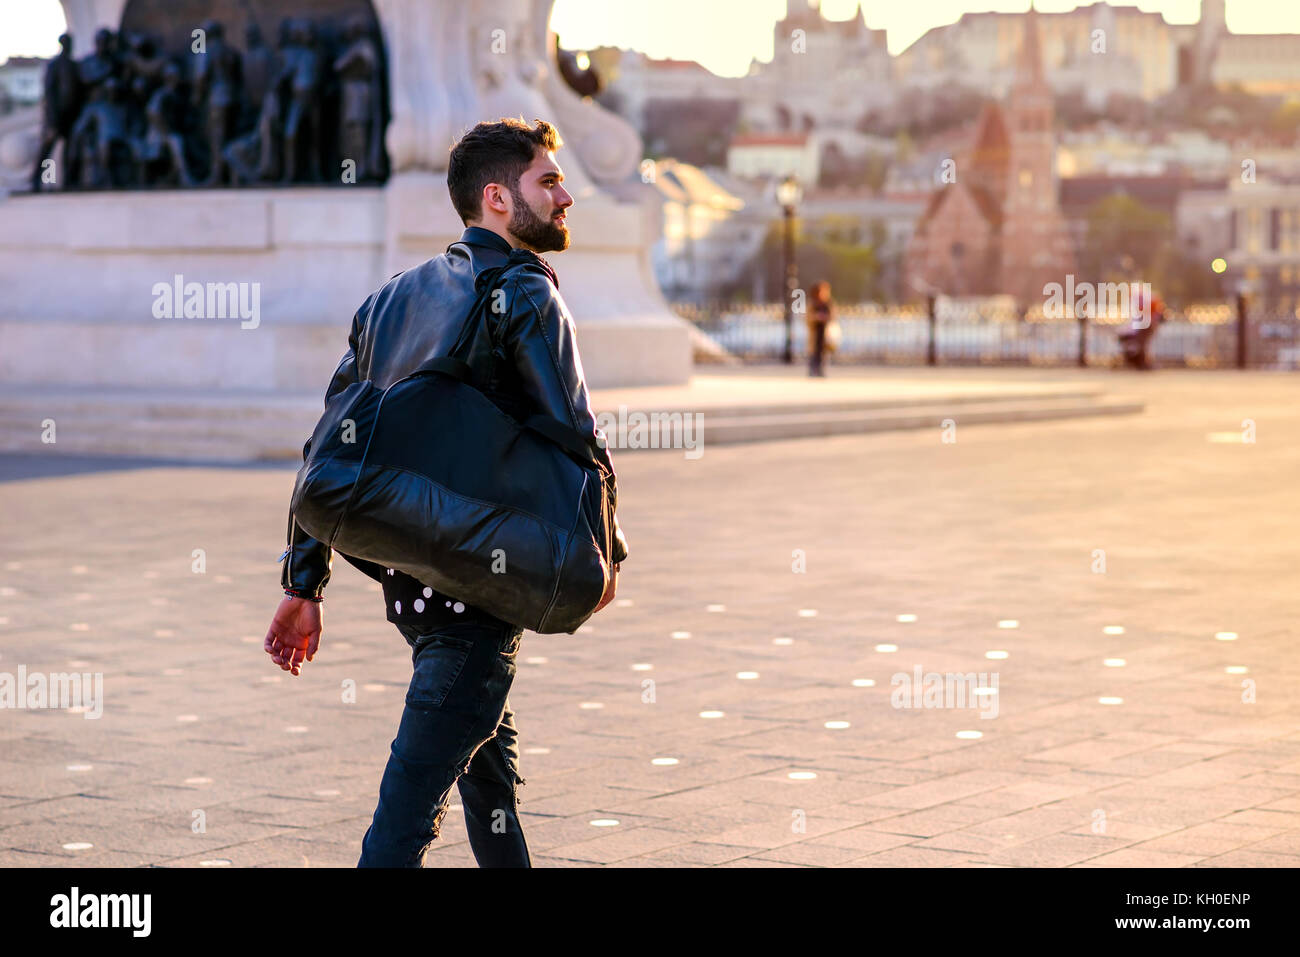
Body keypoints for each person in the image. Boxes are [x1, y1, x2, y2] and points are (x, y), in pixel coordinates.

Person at [262, 117, 627, 868]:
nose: (566, 196)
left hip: (415, 585)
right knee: (401, 824)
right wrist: (604, 556)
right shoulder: (526, 292)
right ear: (497, 197)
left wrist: (305, 583)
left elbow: (329, 441)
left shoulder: (391, 299)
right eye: (548, 181)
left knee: (490, 787)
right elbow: (574, 435)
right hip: (480, 595)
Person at [807, 280, 834, 376]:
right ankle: (813, 369)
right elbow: (808, 317)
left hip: (825, 332)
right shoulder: (813, 303)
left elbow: (833, 316)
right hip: (815, 331)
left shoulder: (828, 303)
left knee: (823, 352)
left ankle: (821, 370)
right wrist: (816, 317)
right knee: (814, 352)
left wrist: (826, 318)